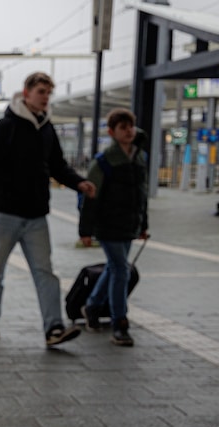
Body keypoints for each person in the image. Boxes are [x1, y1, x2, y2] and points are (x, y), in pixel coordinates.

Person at [0, 72, 95, 347]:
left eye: (48, 93)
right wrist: (17, 181)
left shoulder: (46, 128)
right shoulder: (6, 126)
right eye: (41, 92)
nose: (45, 98)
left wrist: (79, 183)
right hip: (6, 213)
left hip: (36, 216)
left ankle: (54, 328)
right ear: (26, 92)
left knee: (45, 272)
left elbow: (57, 165)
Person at [78, 108, 149, 347]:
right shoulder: (103, 162)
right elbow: (90, 197)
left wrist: (143, 224)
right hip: (107, 224)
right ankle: (120, 323)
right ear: (111, 132)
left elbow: (142, 194)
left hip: (129, 223)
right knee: (121, 269)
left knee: (114, 267)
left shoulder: (139, 158)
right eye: (122, 127)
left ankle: (92, 306)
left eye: (131, 126)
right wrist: (85, 231)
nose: (129, 131)